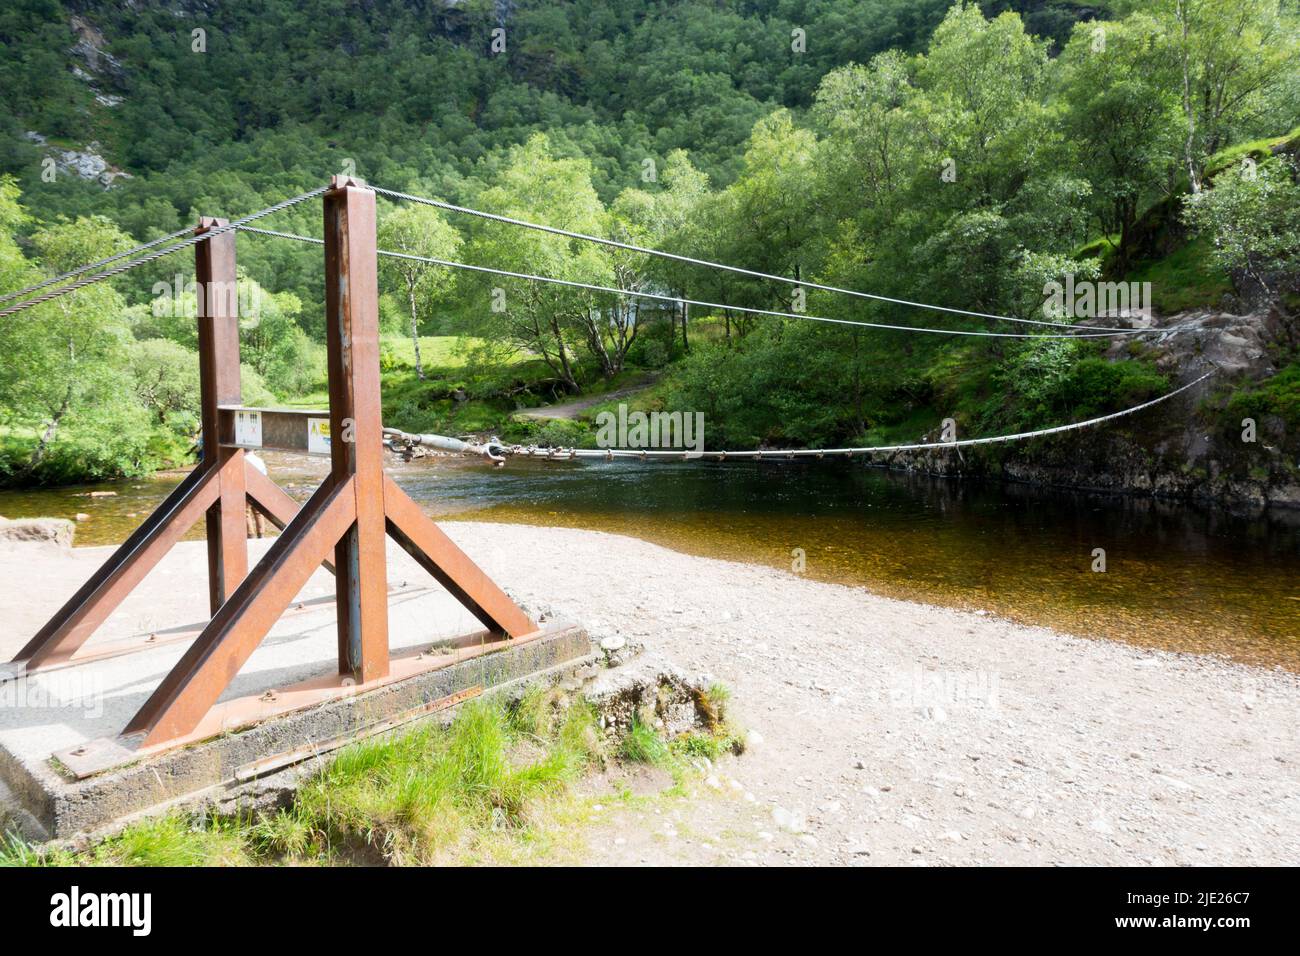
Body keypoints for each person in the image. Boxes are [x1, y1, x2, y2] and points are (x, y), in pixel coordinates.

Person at [245, 451, 268, 538]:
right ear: (253, 451)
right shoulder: (259, 460)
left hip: (246, 488)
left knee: (246, 512)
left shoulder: (242, 460)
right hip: (258, 488)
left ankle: (250, 534)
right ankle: (261, 534)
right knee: (258, 512)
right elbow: (265, 475)